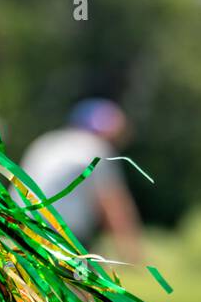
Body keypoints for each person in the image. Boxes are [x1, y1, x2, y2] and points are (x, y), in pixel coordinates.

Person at [20, 99, 144, 264]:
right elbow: (113, 206)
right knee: (91, 285)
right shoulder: (96, 148)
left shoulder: (46, 142)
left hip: (20, 226)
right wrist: (132, 253)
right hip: (61, 234)